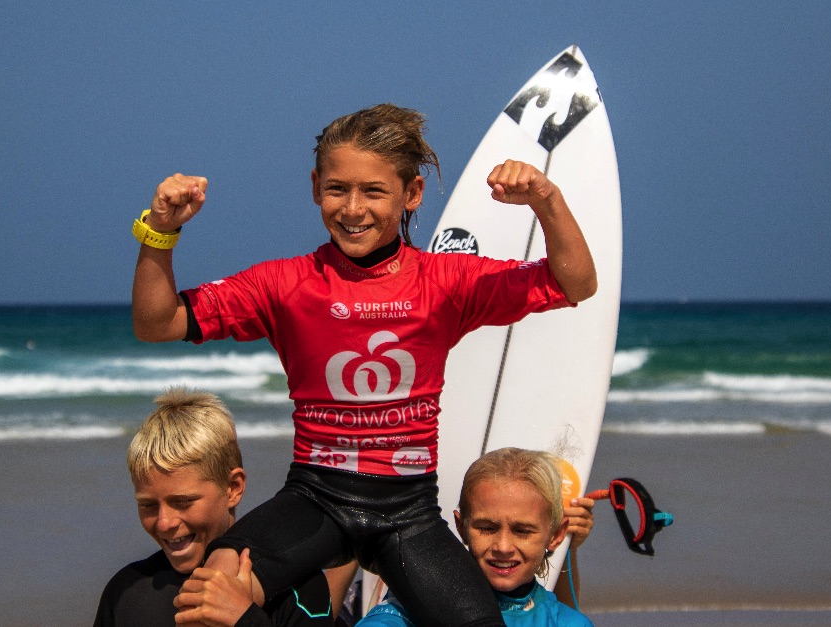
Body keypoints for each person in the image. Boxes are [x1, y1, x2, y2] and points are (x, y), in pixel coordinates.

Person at [131, 103, 597, 627]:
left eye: (373, 191)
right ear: (315, 187)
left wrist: (546, 199)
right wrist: (161, 232)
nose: (353, 208)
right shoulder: (282, 285)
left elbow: (574, 283)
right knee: (211, 589)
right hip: (315, 496)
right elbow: (158, 322)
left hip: (409, 510)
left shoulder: (445, 282)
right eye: (337, 189)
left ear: (411, 194)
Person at [94, 388, 336, 626]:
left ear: (232, 487)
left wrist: (245, 618)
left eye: (182, 502)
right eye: (147, 504)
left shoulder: (295, 588)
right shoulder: (126, 591)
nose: (165, 522)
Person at [357, 448, 594, 626]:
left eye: (522, 531)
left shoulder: (568, 622)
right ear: (461, 527)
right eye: (487, 528)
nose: (502, 546)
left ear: (556, 535)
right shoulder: (416, 604)